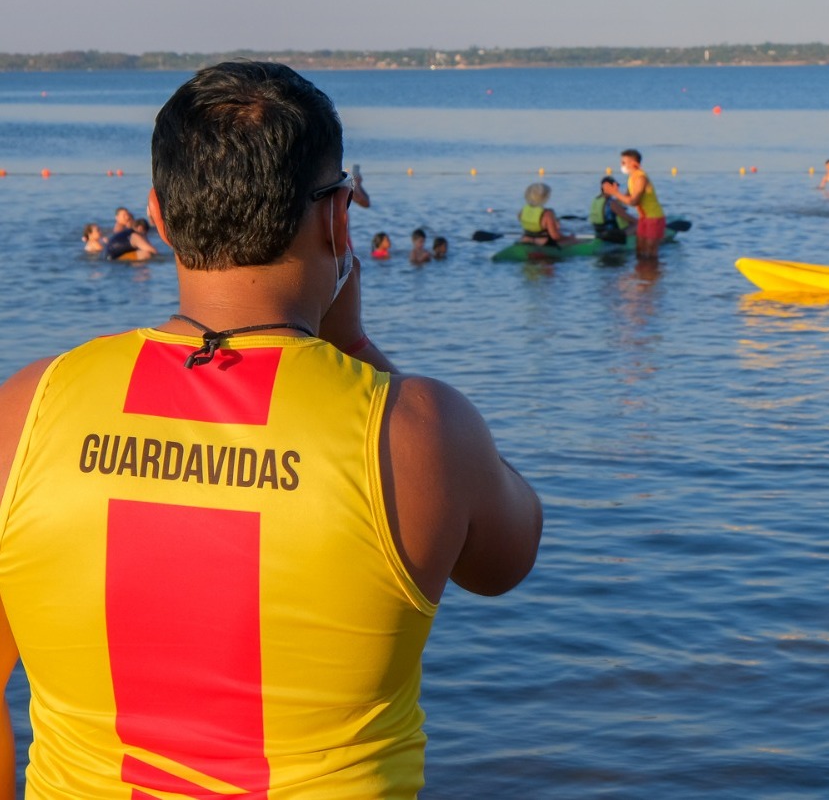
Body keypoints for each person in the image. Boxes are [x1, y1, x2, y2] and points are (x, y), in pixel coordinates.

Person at [0, 61, 541, 797]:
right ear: (338, 220)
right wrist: (351, 347)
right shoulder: (418, 431)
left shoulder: (27, 409)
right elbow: (508, 557)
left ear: (158, 216)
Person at [611, 149, 666, 258]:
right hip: (643, 218)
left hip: (654, 217)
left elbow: (633, 201)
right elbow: (625, 198)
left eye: (624, 163)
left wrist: (615, 193)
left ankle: (652, 273)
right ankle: (640, 273)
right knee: (640, 250)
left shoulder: (641, 178)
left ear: (634, 163)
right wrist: (610, 201)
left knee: (650, 251)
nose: (621, 165)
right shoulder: (631, 178)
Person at [518, 182, 576, 247]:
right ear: (546, 197)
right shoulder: (548, 214)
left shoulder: (522, 211)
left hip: (525, 240)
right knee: (576, 241)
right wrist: (569, 238)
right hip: (544, 244)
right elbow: (555, 237)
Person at [590, 176, 635, 243]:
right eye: (616, 185)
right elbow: (630, 219)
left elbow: (619, 201)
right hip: (613, 235)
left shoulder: (596, 200)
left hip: (600, 232)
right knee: (640, 224)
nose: (617, 188)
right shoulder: (612, 203)